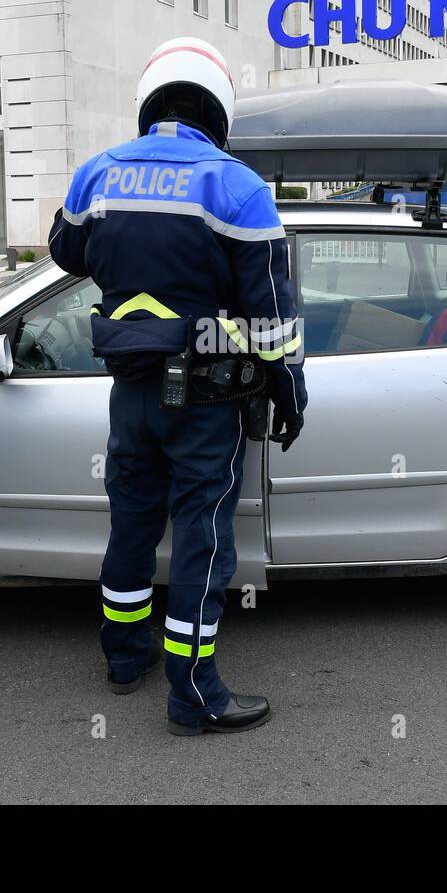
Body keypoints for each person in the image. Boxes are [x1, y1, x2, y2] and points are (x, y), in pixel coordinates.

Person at [49, 37, 307, 736]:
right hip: (206, 398)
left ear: (150, 102)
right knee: (201, 539)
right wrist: (289, 386)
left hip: (131, 391)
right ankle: (193, 694)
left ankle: (124, 657)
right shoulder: (237, 185)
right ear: (216, 106)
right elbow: (272, 311)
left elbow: (64, 251)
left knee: (131, 525)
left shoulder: (97, 173)